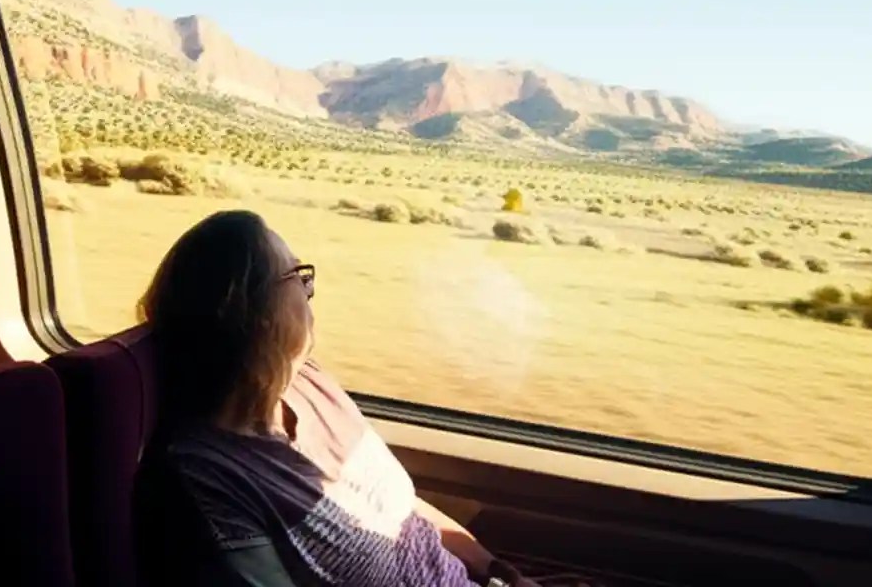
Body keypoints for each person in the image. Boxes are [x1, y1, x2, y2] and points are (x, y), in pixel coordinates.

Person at [133, 210, 594, 587]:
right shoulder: (209, 474)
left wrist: (500, 572)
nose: (312, 292)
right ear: (256, 312)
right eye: (299, 277)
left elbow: (400, 507)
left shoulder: (311, 386)